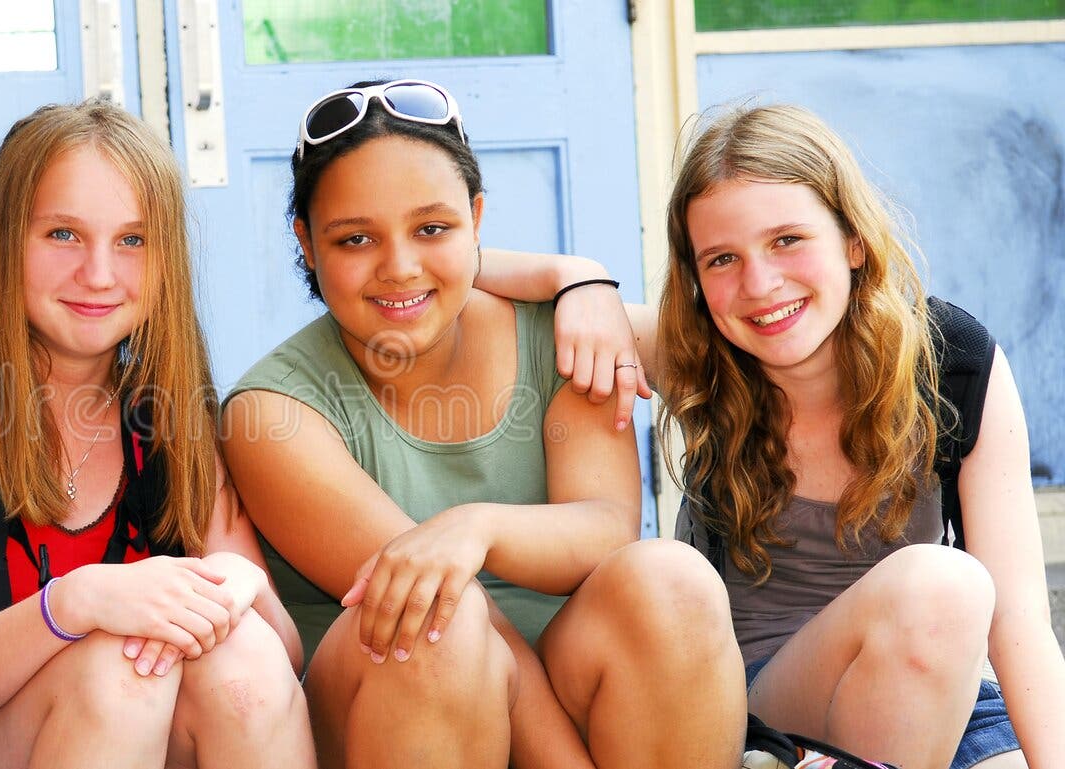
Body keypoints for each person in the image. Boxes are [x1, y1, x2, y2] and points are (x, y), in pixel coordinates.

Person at [478, 103, 1063, 768]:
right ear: (696, 279)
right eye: (722, 258)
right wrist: (577, 278)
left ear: (853, 239)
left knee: (961, 612)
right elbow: (435, 261)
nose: (759, 285)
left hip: (932, 682)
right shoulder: (698, 355)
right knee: (946, 586)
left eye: (787, 240)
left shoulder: (947, 364)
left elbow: (1019, 619)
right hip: (753, 702)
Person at [219, 78, 745, 769]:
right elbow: (441, 604)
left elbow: (604, 528)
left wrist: (479, 525)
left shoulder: (561, 332)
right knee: (438, 621)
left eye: (431, 228)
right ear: (307, 245)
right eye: (355, 239)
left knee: (671, 581)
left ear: (476, 217)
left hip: (565, 685)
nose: (399, 267)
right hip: (387, 720)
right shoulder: (273, 412)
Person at [0, 100, 314, 769]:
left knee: (241, 654)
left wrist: (233, 582)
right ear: (6, 239)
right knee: (118, 668)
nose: (100, 274)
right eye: (63, 235)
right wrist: (78, 601)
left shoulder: (168, 417)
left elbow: (281, 654)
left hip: (135, 728)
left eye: (132, 240)